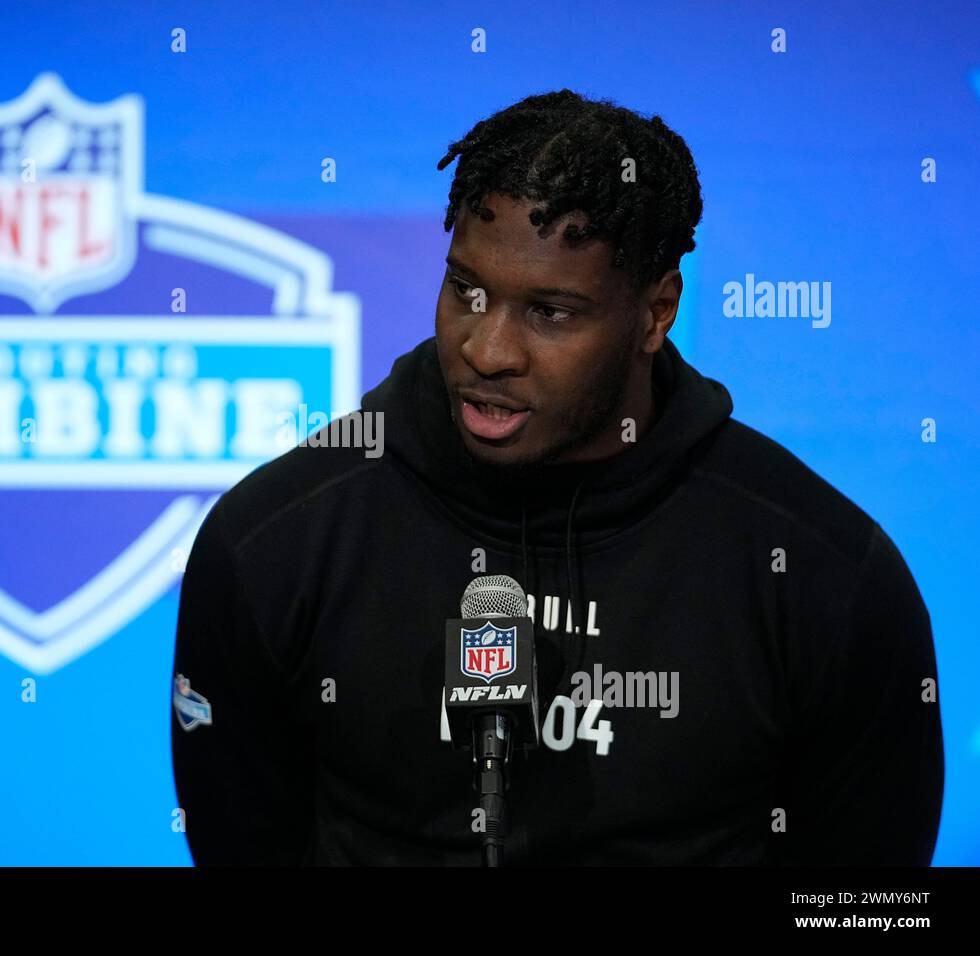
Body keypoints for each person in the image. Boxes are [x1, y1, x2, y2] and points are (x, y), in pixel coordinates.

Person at [169, 90, 944, 865]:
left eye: (551, 312)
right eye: (467, 291)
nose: (488, 351)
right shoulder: (276, 540)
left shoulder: (818, 574)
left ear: (655, 313)